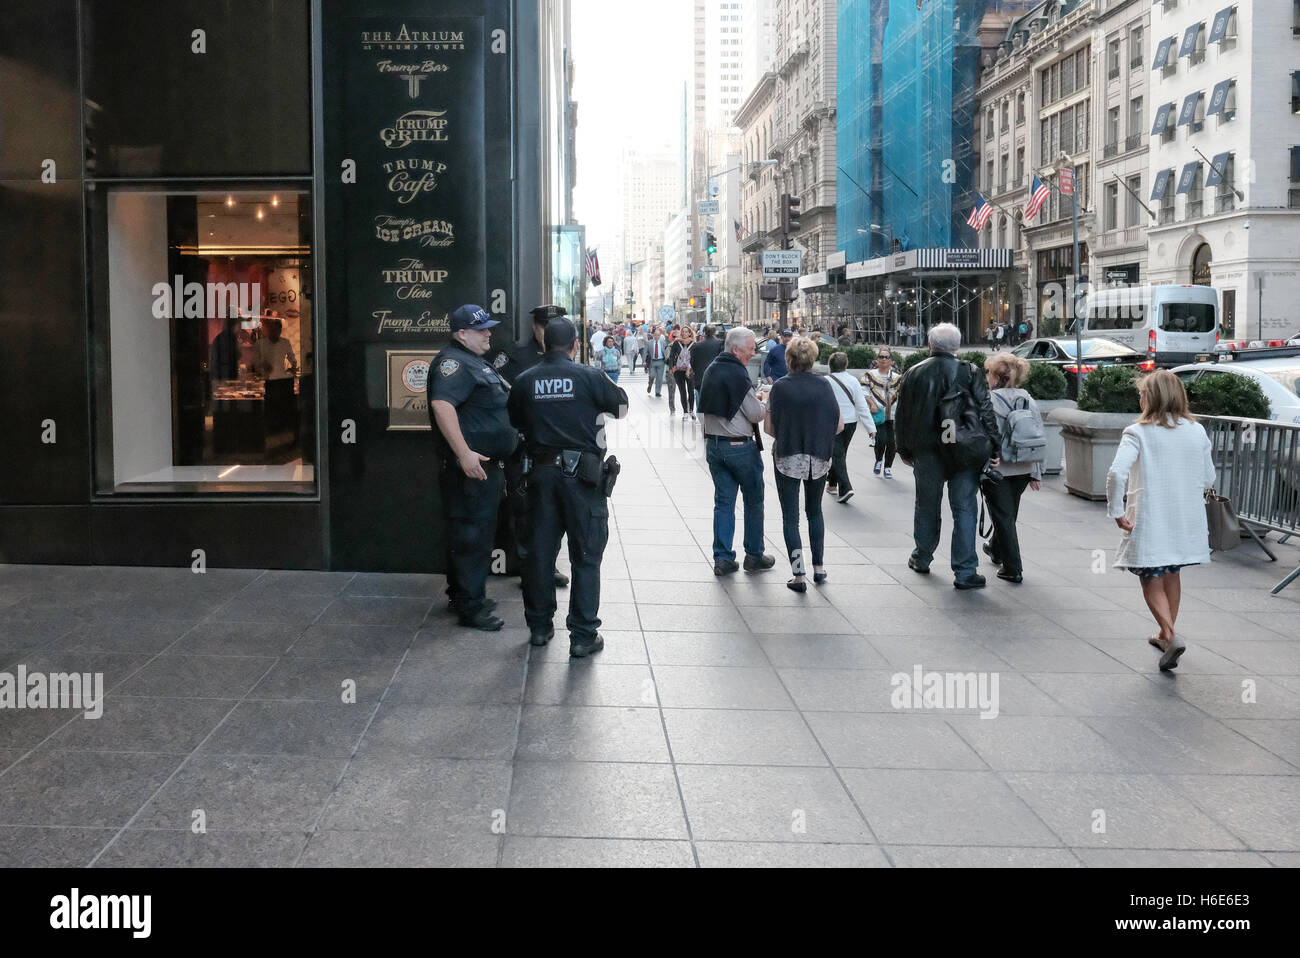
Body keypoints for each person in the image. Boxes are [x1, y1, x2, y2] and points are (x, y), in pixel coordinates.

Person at [508, 317, 628, 657]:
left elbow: (515, 420)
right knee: (586, 556)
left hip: (541, 477)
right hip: (583, 481)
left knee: (540, 555)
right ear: (575, 345)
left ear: (544, 344)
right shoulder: (589, 376)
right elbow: (621, 406)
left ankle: (540, 628)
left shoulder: (525, 380)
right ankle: (582, 636)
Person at [1106, 370, 1217, 670]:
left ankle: (1170, 633)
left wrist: (1116, 509)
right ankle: (1165, 635)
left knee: (1149, 575)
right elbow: (1209, 476)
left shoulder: (1138, 432)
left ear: (1150, 398)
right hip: (1184, 517)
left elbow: (1116, 472)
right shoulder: (1196, 430)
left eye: (1141, 393)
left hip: (1151, 516)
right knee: (1172, 572)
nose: (1139, 398)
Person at [427, 304, 518, 630]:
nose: (489, 333)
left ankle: (465, 595)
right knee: (472, 537)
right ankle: (471, 607)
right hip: (470, 469)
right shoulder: (453, 364)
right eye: (482, 329)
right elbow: (442, 405)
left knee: (474, 534)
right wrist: (464, 453)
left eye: (488, 328)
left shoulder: (475, 362)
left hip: (486, 468)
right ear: (461, 333)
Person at [896, 323, 1001, 589]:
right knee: (964, 508)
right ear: (957, 345)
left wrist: (903, 449)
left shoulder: (914, 373)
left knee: (926, 505)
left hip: (926, 451)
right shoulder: (970, 371)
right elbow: (985, 411)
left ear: (930, 344)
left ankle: (922, 557)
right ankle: (965, 571)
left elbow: (902, 415)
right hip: (964, 451)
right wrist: (995, 448)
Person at [498, 304, 571, 592]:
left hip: (559, 450)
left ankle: (548, 564)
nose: (548, 332)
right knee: (526, 511)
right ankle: (530, 567)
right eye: (543, 327)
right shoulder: (515, 358)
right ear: (534, 328)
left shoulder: (568, 357)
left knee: (556, 511)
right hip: (525, 448)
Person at [698, 326, 775, 576]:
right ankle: (754, 555)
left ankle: (722, 558)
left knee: (723, 503)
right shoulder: (736, 373)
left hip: (714, 446)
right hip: (739, 447)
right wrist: (765, 400)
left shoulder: (712, 368)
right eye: (750, 349)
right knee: (754, 501)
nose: (752, 354)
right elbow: (755, 413)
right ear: (736, 349)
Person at [766, 338, 842, 592]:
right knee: (815, 512)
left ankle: (798, 575)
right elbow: (839, 425)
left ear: (788, 359)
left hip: (788, 456)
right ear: (813, 359)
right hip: (818, 457)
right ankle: (819, 568)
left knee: (791, 518)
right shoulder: (825, 385)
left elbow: (769, 428)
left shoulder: (780, 387)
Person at [980, 352, 1044, 583]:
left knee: (1003, 516)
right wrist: (1036, 472)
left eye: (989, 372)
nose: (987, 376)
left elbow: (986, 435)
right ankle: (996, 550)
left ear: (997, 377)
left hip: (1000, 468)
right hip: (1024, 467)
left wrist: (985, 461)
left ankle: (1013, 568)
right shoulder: (1027, 398)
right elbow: (1036, 435)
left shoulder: (989, 400)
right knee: (1008, 513)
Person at [825, 351, 877, 503]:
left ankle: (845, 488)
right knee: (839, 454)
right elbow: (861, 406)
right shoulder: (853, 380)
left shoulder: (826, 381)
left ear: (830, 365)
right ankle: (832, 484)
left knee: (837, 455)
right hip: (851, 423)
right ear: (846, 365)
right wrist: (870, 428)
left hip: (833, 422)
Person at [255, 317, 299, 442]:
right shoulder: (261, 343)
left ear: (280, 331)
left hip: (283, 380)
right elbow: (256, 360)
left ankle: (282, 430)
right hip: (268, 380)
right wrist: (262, 364)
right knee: (271, 407)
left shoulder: (285, 342)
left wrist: (292, 367)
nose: (275, 333)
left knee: (283, 406)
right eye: (273, 330)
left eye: (278, 331)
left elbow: (292, 358)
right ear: (269, 330)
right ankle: (271, 430)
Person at [863, 346, 903, 479]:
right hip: (878, 414)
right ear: (877, 359)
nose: (884, 359)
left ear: (891, 361)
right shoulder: (870, 375)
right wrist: (872, 403)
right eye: (881, 357)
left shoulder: (897, 378)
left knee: (892, 442)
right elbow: (864, 392)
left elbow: (903, 395)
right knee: (881, 439)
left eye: (886, 357)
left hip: (893, 415)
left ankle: (888, 467)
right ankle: (879, 460)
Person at [688, 324, 724, 410]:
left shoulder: (696, 346)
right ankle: (711, 420)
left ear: (704, 333)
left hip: (700, 378)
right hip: (716, 378)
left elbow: (691, 362)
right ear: (715, 332)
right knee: (714, 401)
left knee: (700, 401)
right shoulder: (720, 344)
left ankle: (701, 420)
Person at [668, 324, 696, 420]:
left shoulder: (694, 344)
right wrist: (671, 367)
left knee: (691, 391)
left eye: (686, 332)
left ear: (690, 333)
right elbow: (671, 356)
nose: (684, 333)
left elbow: (695, 358)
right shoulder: (676, 343)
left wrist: (691, 368)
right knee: (682, 392)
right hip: (679, 371)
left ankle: (691, 410)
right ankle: (685, 412)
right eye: (683, 332)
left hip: (690, 371)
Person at [646, 324, 668, 397]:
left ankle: (657, 392)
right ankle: (650, 384)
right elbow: (645, 352)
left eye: (658, 335)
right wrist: (643, 360)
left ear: (660, 336)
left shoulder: (663, 342)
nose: (657, 336)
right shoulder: (649, 343)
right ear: (653, 335)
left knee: (659, 378)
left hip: (661, 361)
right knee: (652, 375)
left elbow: (666, 349)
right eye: (655, 335)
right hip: (652, 362)